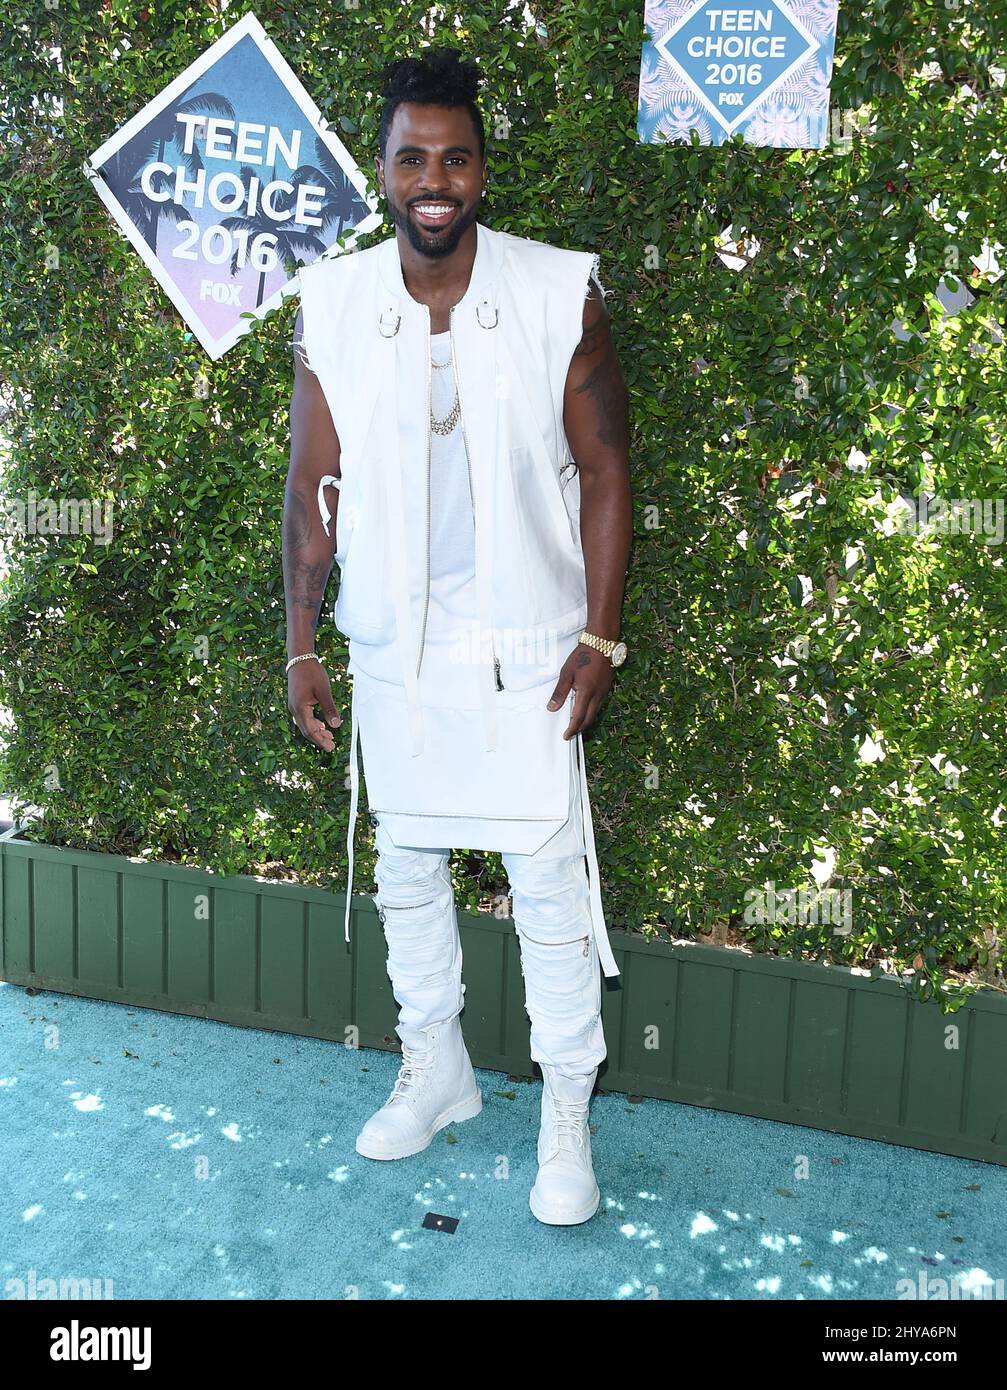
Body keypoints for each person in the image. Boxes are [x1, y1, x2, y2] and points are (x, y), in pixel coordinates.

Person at [283, 48, 631, 1226]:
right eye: (411, 158)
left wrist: (600, 636)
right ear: (382, 172)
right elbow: (308, 483)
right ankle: (436, 1070)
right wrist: (299, 643)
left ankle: (565, 1115)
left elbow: (606, 467)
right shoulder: (332, 301)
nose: (434, 180)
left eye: (456, 158)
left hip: (527, 642)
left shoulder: (552, 291)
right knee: (408, 869)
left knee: (545, 882)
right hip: (392, 641)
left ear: (482, 170)